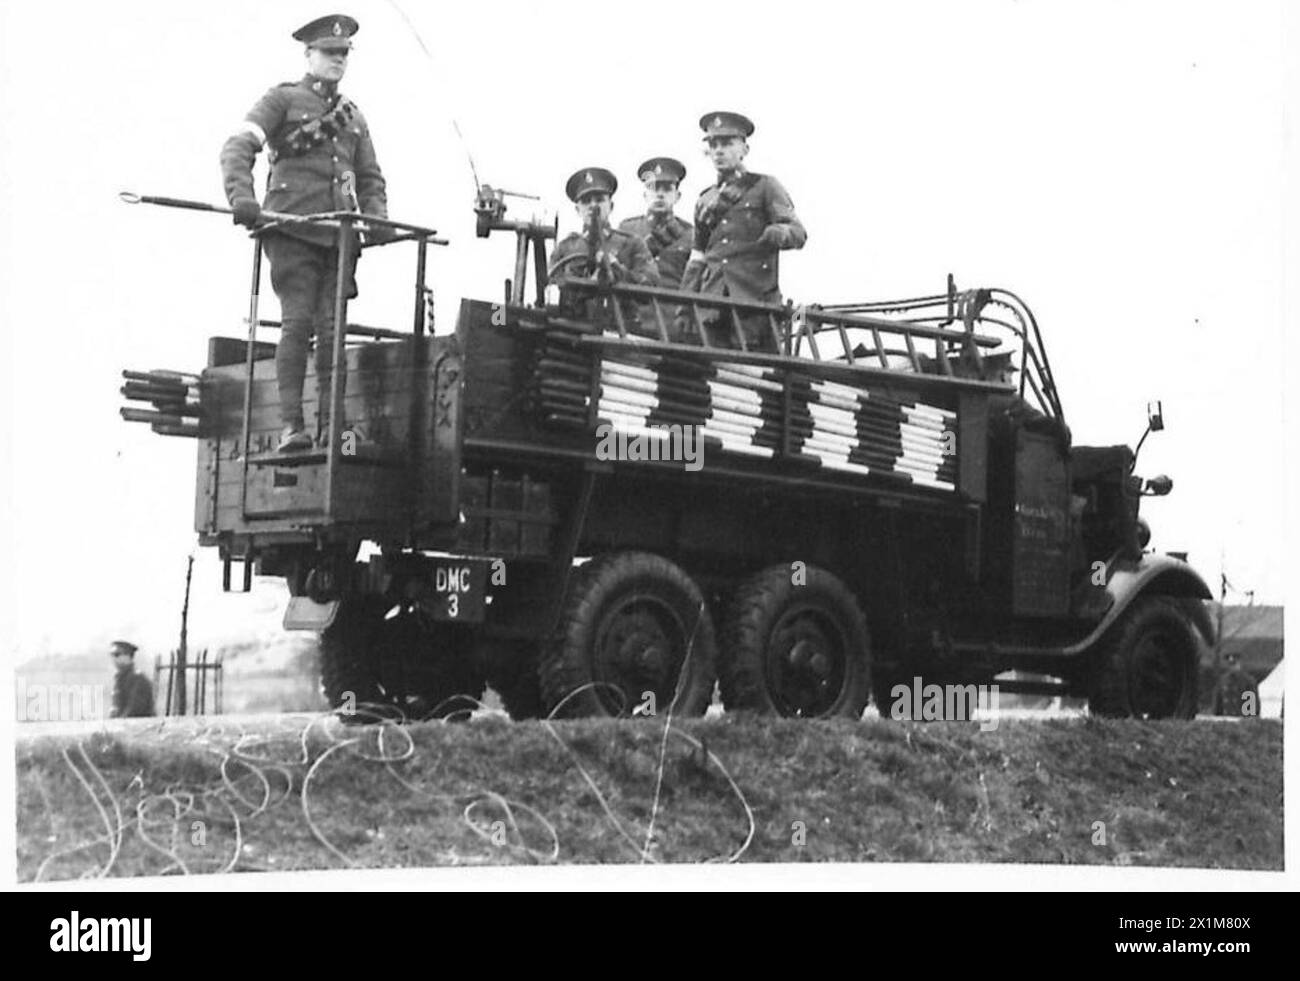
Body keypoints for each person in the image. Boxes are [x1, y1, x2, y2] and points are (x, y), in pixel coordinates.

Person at [220, 14, 389, 453]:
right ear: (309, 54)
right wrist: (243, 198)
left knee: (333, 331)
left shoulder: (352, 116)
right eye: (329, 54)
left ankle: (336, 429)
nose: (337, 61)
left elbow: (370, 177)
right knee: (298, 324)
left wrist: (376, 219)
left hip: (339, 239)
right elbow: (237, 147)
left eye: (343, 55)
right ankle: (293, 427)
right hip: (292, 230)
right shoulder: (282, 101)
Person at [681, 111, 806, 350]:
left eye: (727, 144)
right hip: (712, 305)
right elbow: (697, 257)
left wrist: (779, 232)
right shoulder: (705, 200)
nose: (719, 150)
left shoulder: (765, 186)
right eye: (714, 144)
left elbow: (798, 232)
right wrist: (684, 305)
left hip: (754, 303)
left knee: (762, 376)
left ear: (744, 150)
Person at [548, 167, 659, 336]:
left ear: (611, 206)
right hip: (573, 333)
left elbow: (651, 287)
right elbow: (551, 289)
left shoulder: (632, 243)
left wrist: (616, 268)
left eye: (599, 200)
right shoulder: (566, 248)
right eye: (586, 201)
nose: (593, 206)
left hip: (622, 333)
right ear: (577, 209)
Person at [618, 157, 694, 287]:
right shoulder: (627, 229)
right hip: (637, 303)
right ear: (645, 195)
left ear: (677, 196)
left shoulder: (690, 234)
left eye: (667, 189)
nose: (660, 194)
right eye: (654, 188)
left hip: (674, 304)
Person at [109, 641, 156, 718]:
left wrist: (118, 724)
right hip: (124, 726)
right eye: (112, 655)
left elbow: (134, 710)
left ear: (128, 656)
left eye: (117, 655)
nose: (114, 659)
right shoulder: (119, 678)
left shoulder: (139, 679)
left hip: (141, 726)